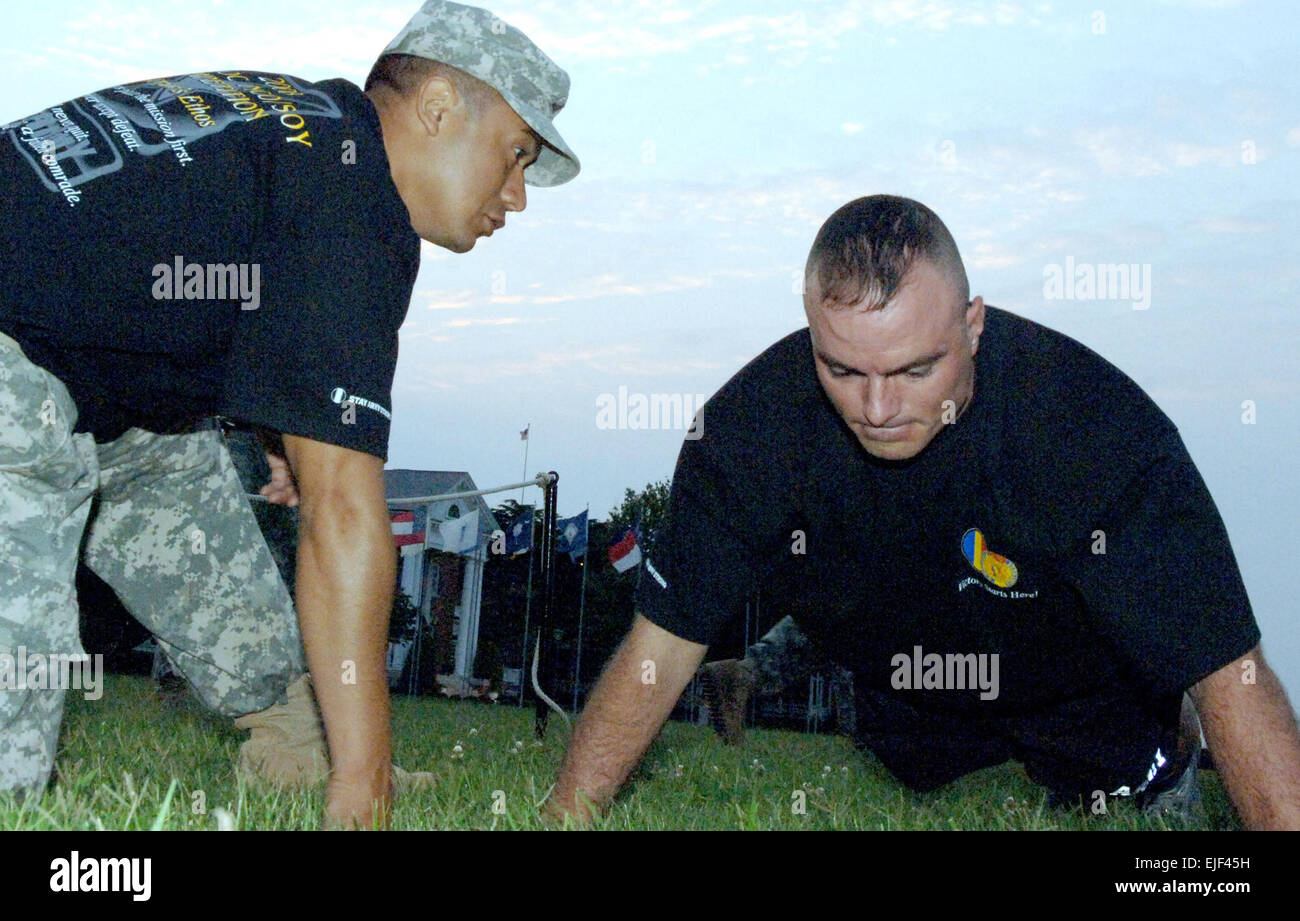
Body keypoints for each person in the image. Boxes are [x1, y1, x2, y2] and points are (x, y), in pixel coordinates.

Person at [0, 0, 579, 829]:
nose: (517, 196)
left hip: (60, 363)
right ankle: (348, 768)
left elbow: (128, 245)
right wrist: (367, 788)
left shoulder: (301, 124)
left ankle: (300, 737)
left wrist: (277, 424)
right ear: (440, 108)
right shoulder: (357, 206)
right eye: (515, 154)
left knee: (169, 451)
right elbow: (341, 510)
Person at [547, 195, 1300, 830]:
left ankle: (1143, 763)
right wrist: (561, 816)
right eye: (842, 368)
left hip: (1072, 680)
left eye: (915, 369)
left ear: (973, 324)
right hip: (908, 685)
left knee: (1120, 794)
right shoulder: (748, 432)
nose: (878, 408)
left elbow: (1228, 672)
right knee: (914, 765)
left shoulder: (1091, 427)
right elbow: (663, 645)